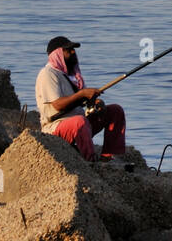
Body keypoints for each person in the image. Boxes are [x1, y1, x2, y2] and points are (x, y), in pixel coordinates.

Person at [35, 35, 126, 163]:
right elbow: (58, 105)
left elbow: (82, 101)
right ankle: (90, 162)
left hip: (80, 124)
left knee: (115, 111)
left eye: (74, 50)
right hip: (55, 128)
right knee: (80, 121)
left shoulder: (73, 76)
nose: (73, 53)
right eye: (69, 50)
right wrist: (81, 94)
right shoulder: (48, 74)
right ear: (57, 54)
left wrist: (95, 103)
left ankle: (109, 157)